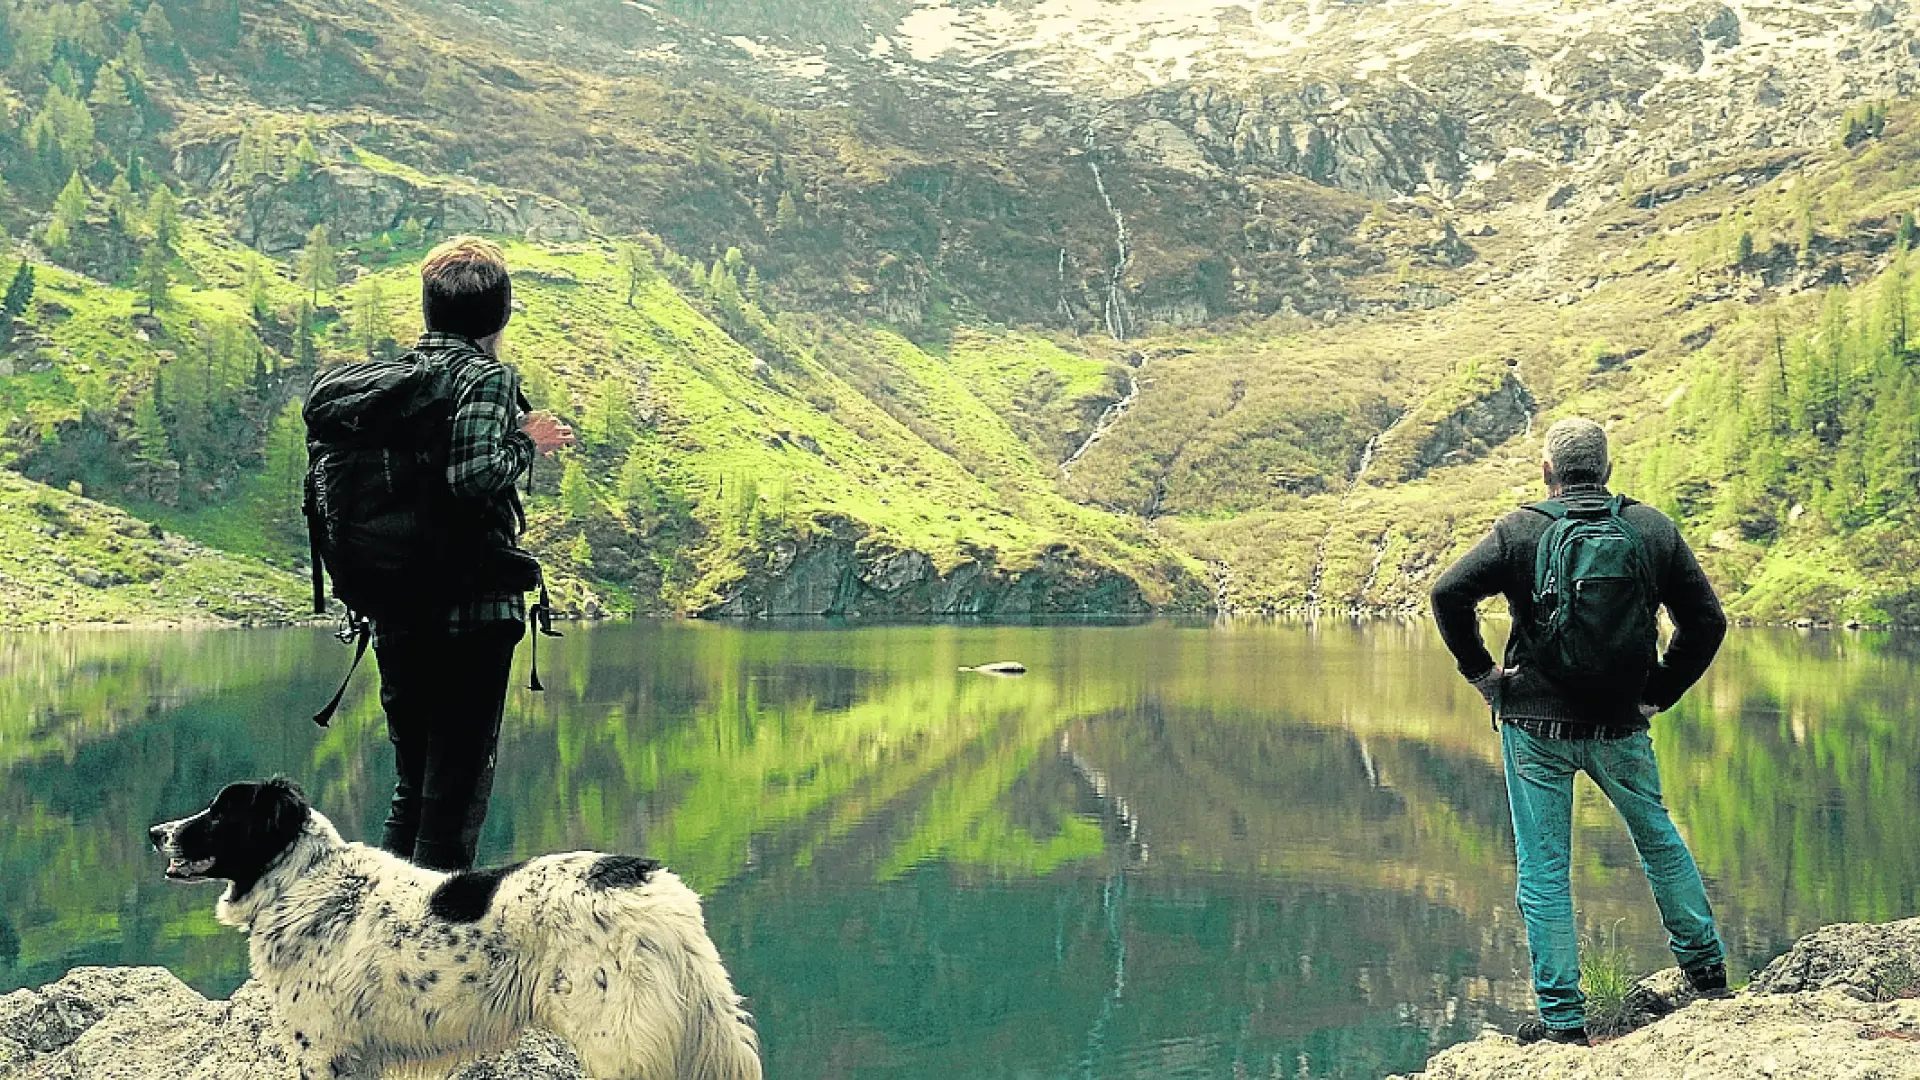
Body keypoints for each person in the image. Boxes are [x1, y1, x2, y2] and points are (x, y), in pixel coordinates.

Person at [1430, 417, 1729, 1046]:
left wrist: (1483, 674)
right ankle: (1707, 977)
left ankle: (1564, 1023)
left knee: (1544, 870)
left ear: (1548, 473)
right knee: (1659, 840)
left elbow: (1449, 593)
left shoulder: (1520, 530)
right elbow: (1705, 622)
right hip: (1621, 723)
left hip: (1533, 724)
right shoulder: (1650, 529)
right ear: (1607, 470)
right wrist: (1659, 693)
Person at [371, 236, 574, 872]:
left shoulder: (397, 379)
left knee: (414, 785)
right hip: (469, 619)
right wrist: (526, 440)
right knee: (456, 790)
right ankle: (439, 945)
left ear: (430, 309)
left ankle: (382, 933)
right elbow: (471, 476)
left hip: (396, 611)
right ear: (499, 315)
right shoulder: (487, 378)